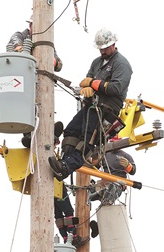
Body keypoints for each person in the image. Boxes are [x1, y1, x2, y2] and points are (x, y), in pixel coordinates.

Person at [49, 28, 133, 181]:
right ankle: (63, 163)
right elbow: (87, 79)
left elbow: (116, 87)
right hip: (91, 106)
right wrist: (86, 88)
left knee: (87, 141)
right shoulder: (97, 62)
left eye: (105, 47)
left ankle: (67, 166)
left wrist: (93, 84)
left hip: (106, 110)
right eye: (100, 48)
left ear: (113, 44)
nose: (102, 51)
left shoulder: (122, 64)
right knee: (70, 131)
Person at [6, 23, 63, 148]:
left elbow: (59, 64)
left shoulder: (46, 41)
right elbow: (16, 45)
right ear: (30, 26)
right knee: (27, 106)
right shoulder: (21, 35)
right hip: (24, 81)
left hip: (42, 83)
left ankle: (50, 132)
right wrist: (23, 50)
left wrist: (53, 61)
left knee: (43, 106)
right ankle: (29, 134)